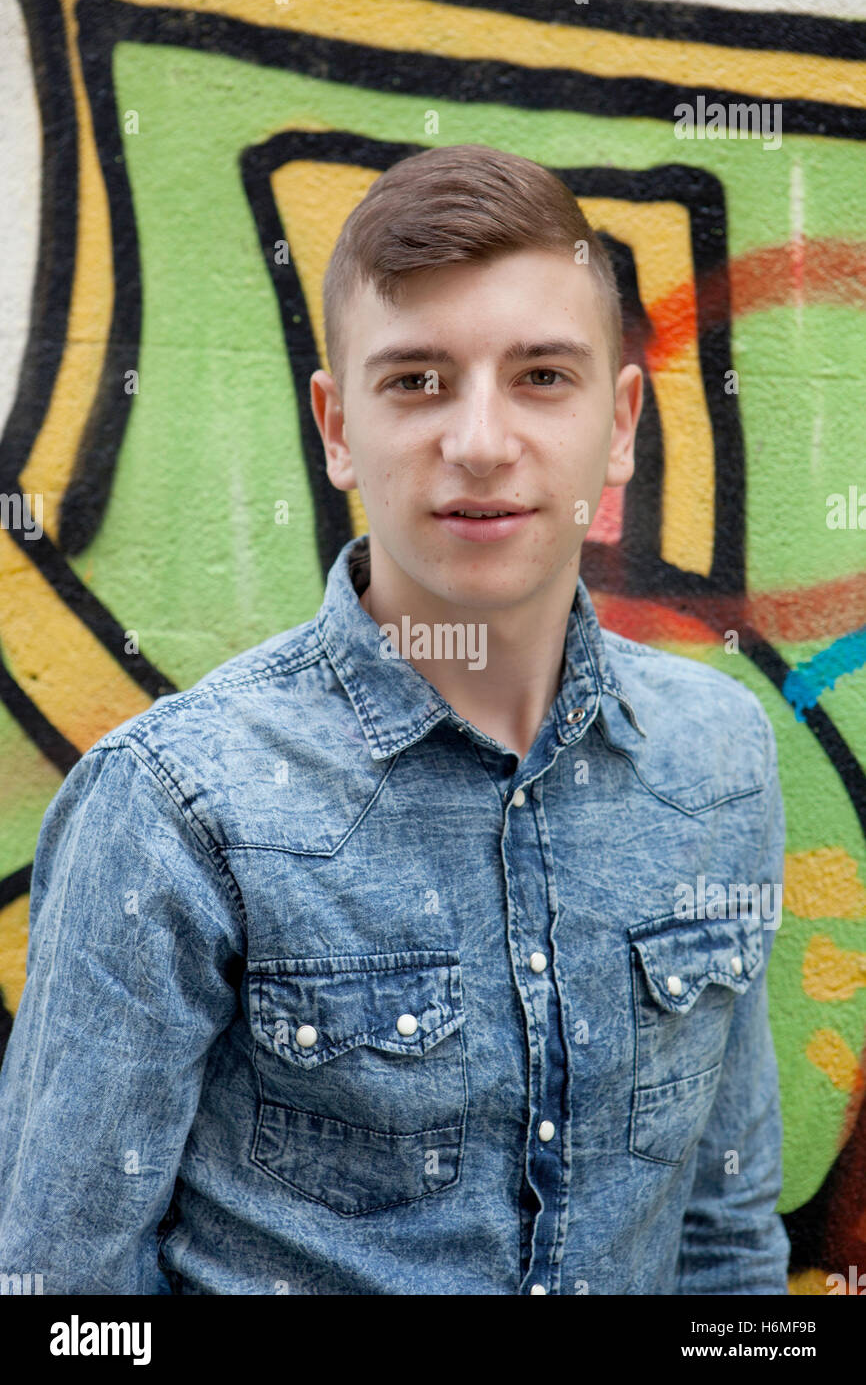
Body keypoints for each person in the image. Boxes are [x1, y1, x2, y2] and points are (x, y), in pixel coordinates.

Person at [0, 143, 789, 1295]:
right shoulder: (176, 807)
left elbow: (722, 1235)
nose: (477, 440)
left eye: (541, 376)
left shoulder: (717, 762)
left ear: (619, 422)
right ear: (333, 428)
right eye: (416, 379)